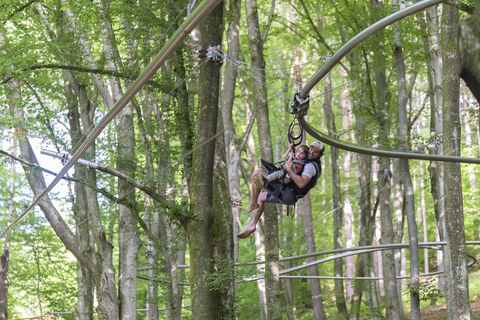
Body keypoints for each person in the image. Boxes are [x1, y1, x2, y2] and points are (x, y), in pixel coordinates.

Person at [238, 140, 324, 239]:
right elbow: (294, 154)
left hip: (287, 193)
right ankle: (252, 225)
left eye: (316, 151)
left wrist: (289, 169)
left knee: (257, 174)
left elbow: (301, 183)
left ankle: (252, 203)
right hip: (289, 194)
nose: (312, 152)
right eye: (312, 148)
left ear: (319, 155)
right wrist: (290, 142)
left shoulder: (310, 166)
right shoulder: (309, 161)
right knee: (260, 197)